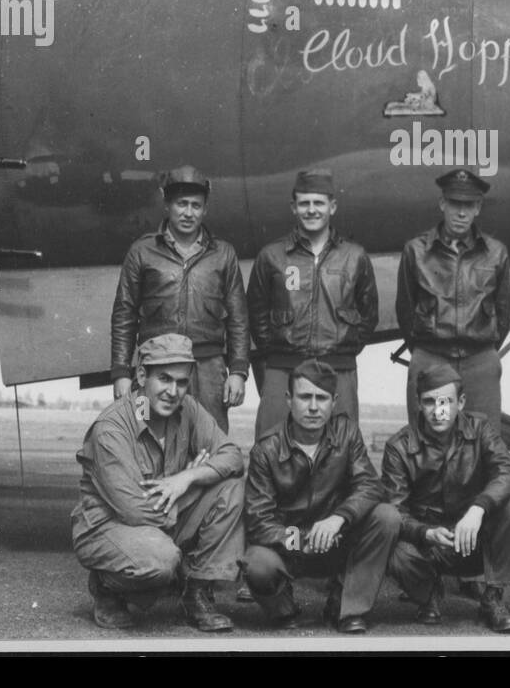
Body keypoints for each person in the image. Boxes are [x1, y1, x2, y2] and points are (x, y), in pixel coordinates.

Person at [72, 334, 247, 632]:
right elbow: (135, 510)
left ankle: (196, 591)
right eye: (164, 379)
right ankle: (107, 587)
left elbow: (232, 456)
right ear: (141, 375)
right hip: (109, 527)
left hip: (159, 517)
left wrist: (187, 477)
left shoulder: (187, 409)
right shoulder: (111, 428)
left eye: (181, 381)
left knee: (233, 489)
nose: (173, 391)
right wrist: (189, 490)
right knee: (162, 560)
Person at [242, 359, 400, 634]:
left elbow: (370, 486)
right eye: (305, 397)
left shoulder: (347, 433)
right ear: (289, 400)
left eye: (321, 398)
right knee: (257, 563)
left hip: (335, 540)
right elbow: (259, 521)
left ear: (334, 401)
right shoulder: (266, 449)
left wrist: (339, 519)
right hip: (289, 548)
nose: (313, 407)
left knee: (387, 516)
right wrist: (301, 540)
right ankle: (284, 610)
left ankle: (347, 608)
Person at [381, 362, 510, 633]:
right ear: (418, 404)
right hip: (429, 545)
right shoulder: (398, 446)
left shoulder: (481, 430)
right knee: (391, 542)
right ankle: (428, 592)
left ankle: (493, 598)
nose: (438, 411)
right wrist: (426, 533)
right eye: (429, 402)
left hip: (475, 539)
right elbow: (395, 509)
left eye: (446, 401)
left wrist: (477, 509)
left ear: (460, 402)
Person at [110, 166, 250, 436]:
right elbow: (124, 314)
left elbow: (238, 319)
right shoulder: (142, 251)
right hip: (153, 368)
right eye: (181, 204)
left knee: (209, 442)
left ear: (205, 209)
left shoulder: (224, 254)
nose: (188, 213)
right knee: (147, 442)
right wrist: (121, 373)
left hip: (208, 369)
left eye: (196, 205)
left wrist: (238, 371)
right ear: (167, 204)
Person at [247, 168, 378, 438]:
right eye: (304, 203)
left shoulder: (355, 256)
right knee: (272, 444)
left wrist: (342, 346)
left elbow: (369, 314)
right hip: (283, 368)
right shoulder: (272, 256)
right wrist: (279, 349)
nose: (311, 210)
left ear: (332, 206)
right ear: (293, 207)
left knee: (341, 449)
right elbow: (257, 312)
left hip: (338, 369)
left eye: (318, 203)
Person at [395, 169, 510, 430]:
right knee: (425, 445)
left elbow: (504, 313)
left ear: (478, 208)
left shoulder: (496, 253)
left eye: (468, 205)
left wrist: (482, 351)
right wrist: (425, 351)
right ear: (442, 204)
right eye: (455, 204)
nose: (461, 213)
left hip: (479, 361)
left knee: (484, 442)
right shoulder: (415, 251)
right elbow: (405, 310)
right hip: (431, 357)